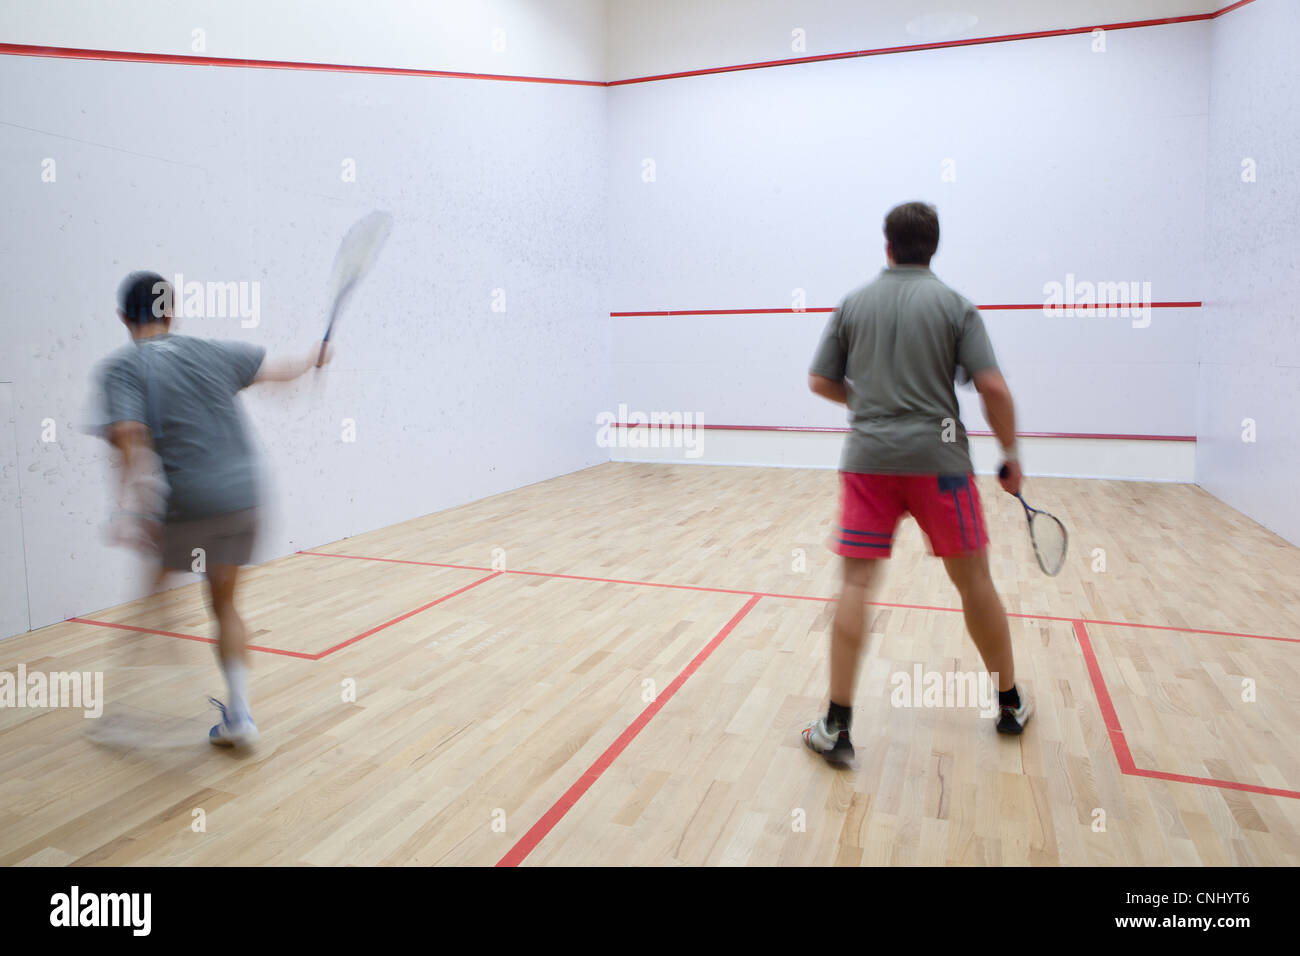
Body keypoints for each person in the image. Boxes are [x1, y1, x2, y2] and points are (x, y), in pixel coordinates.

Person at [802, 202, 1031, 764]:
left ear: (887, 246)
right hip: (941, 462)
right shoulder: (955, 306)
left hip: (869, 461)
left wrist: (866, 400)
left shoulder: (854, 304)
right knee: (974, 582)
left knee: (855, 584)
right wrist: (1011, 453)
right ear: (933, 247)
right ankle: (1007, 704)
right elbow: (994, 390)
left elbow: (819, 380)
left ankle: (837, 725)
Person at [98, 271, 328, 748]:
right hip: (246, 496)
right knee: (224, 605)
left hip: (191, 500)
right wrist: (311, 361)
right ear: (171, 311)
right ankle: (239, 716)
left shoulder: (123, 368)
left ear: (123, 317)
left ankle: (121, 715)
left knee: (155, 594)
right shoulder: (210, 351)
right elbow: (279, 372)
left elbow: (127, 435)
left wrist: (133, 510)